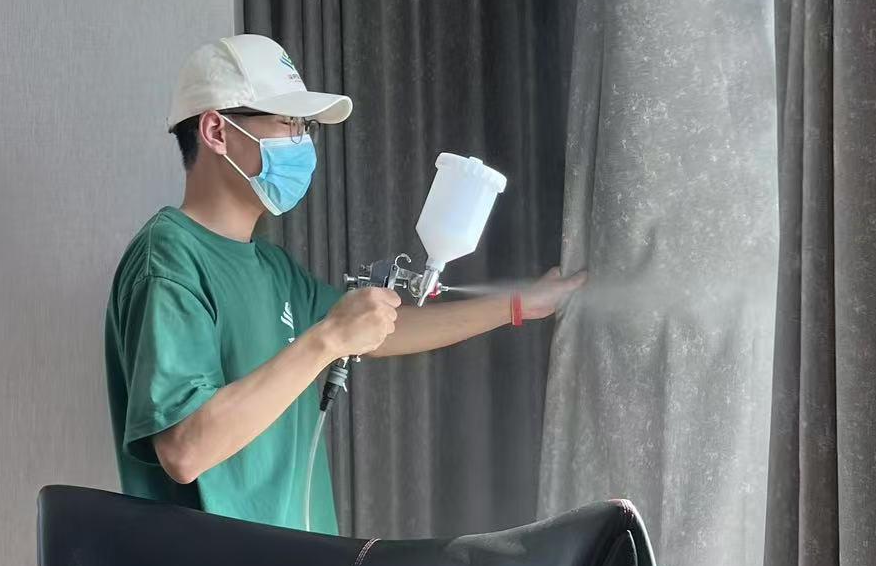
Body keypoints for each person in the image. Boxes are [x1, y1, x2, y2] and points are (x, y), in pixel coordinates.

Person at [105, 34, 581, 531]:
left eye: (306, 127)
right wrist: (328, 339)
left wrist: (519, 305)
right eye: (289, 123)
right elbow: (185, 449)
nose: (303, 143)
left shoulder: (272, 267)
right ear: (216, 131)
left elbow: (381, 330)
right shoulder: (170, 258)